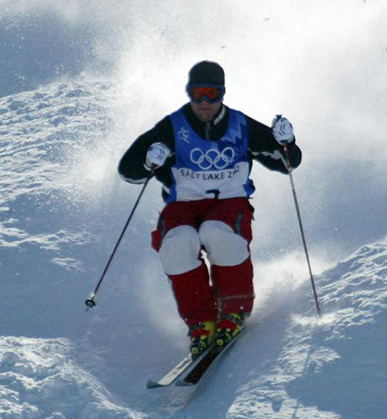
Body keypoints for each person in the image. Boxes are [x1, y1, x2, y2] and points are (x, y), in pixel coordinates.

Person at [118, 60, 301, 356]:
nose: (204, 102)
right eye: (197, 93)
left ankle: (233, 308)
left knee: (217, 232)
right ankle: (201, 320)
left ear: (223, 94)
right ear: (188, 93)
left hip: (229, 202)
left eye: (212, 94)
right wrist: (148, 161)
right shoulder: (173, 127)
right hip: (184, 204)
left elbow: (287, 163)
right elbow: (128, 170)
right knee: (177, 243)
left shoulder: (241, 125)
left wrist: (287, 142)